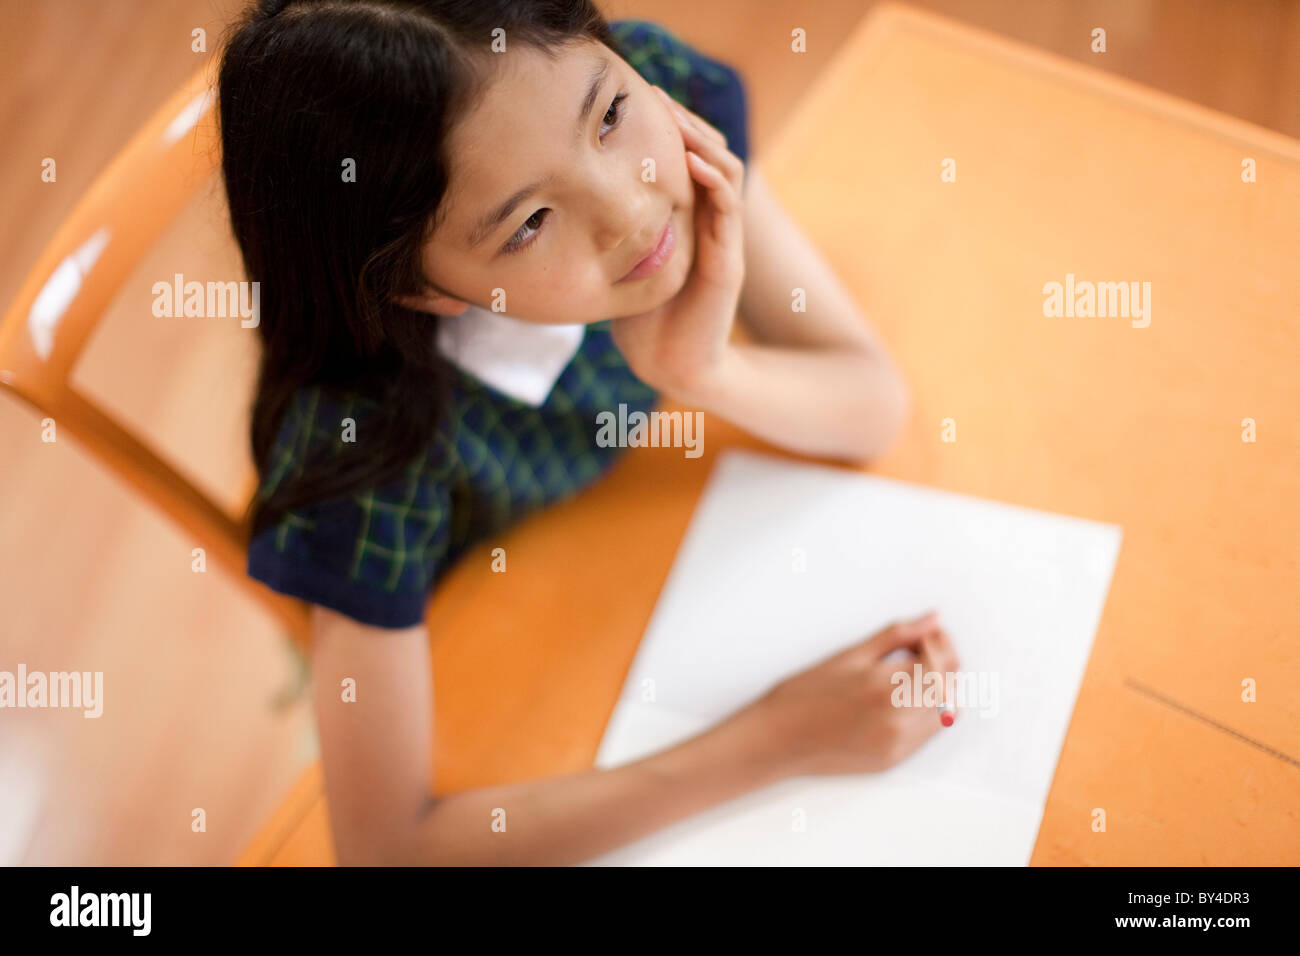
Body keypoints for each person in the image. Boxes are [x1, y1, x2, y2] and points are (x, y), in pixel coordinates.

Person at [216, 0, 958, 865]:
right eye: (529, 224)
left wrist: (703, 372)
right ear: (421, 288)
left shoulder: (662, 96)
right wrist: (778, 739)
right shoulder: (364, 457)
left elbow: (871, 402)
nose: (630, 213)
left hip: (626, 567)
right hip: (453, 656)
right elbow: (387, 848)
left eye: (607, 116)